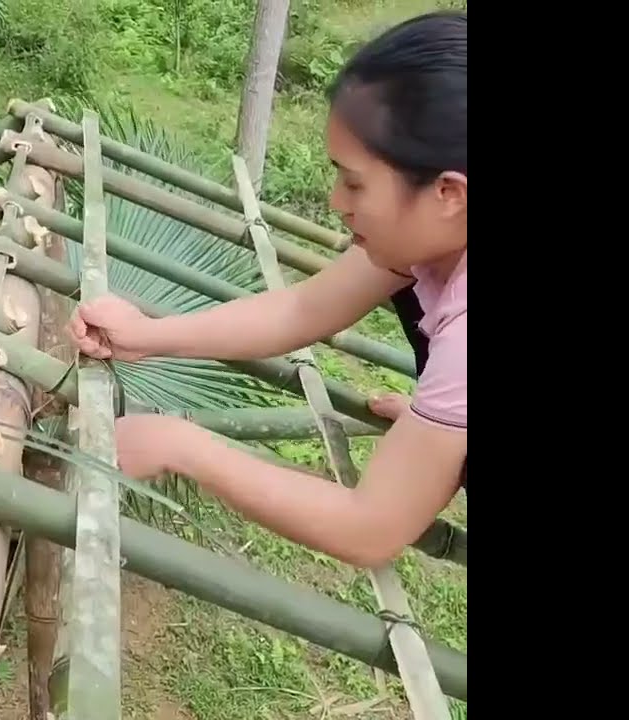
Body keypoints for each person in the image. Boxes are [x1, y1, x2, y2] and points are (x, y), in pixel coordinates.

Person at [67, 11, 467, 569]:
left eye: (354, 182)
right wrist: (147, 335)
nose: (336, 202)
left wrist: (180, 447)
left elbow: (369, 530)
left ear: (448, 193)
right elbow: (303, 307)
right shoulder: (432, 234)